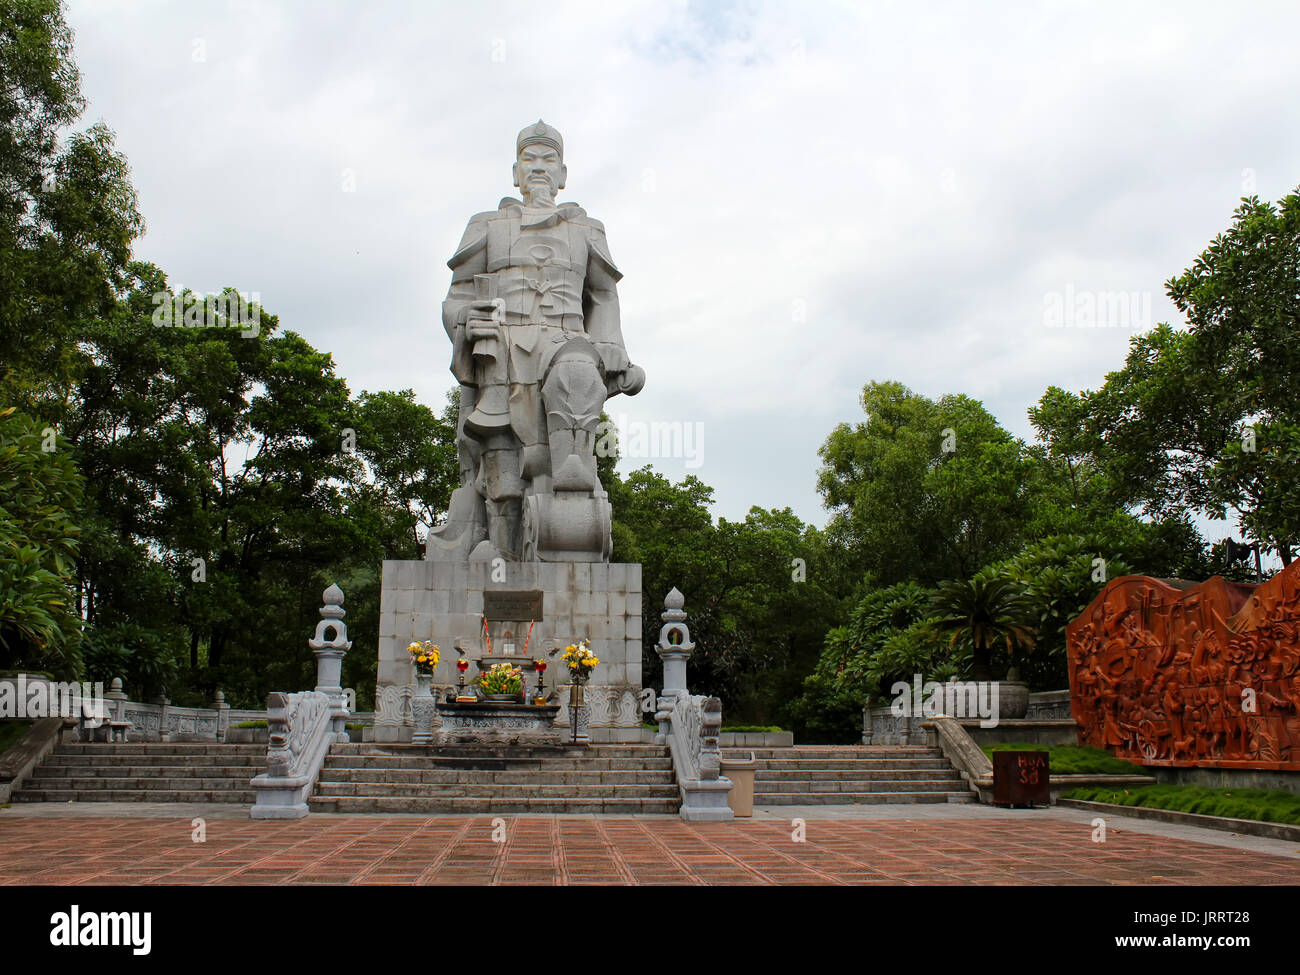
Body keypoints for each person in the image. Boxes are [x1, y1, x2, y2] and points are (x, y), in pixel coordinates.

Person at [429, 120, 644, 562]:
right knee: (500, 438)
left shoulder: (586, 229)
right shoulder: (488, 224)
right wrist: (468, 319)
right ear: (516, 171)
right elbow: (457, 296)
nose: (540, 168)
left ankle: (572, 480)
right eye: (531, 159)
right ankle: (503, 542)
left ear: (563, 174)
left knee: (577, 371)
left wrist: (612, 345)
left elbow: (603, 295)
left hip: (564, 337)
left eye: (549, 160)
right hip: (501, 344)